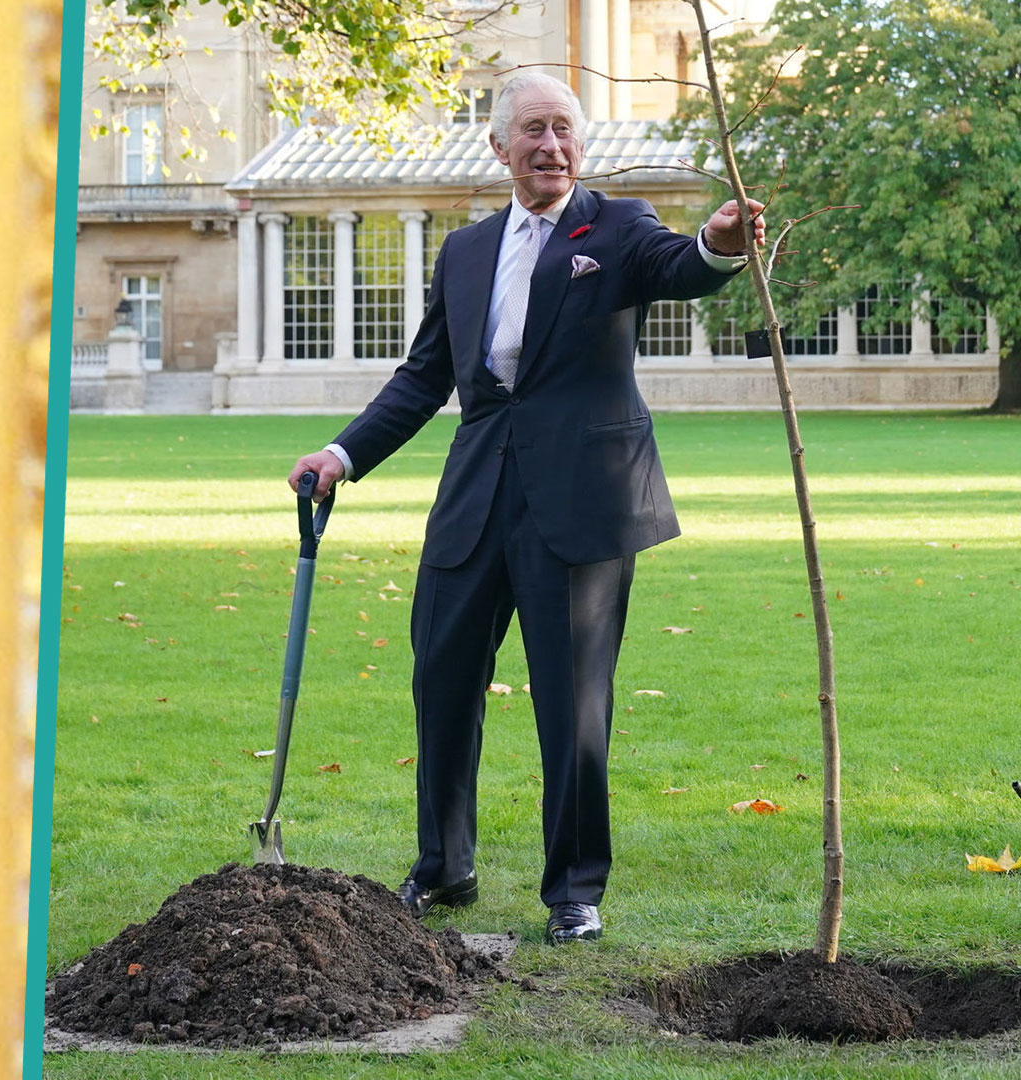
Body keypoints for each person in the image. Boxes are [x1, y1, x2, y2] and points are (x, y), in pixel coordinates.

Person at [287, 72, 764, 945]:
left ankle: (574, 890)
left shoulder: (617, 227)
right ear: (499, 147)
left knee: (573, 700)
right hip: (475, 494)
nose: (551, 146)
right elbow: (425, 376)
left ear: (580, 145)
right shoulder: (464, 252)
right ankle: (445, 866)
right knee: (441, 676)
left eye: (564, 130)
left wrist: (720, 243)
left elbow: (681, 268)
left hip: (583, 500)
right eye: (533, 132)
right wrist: (342, 454)